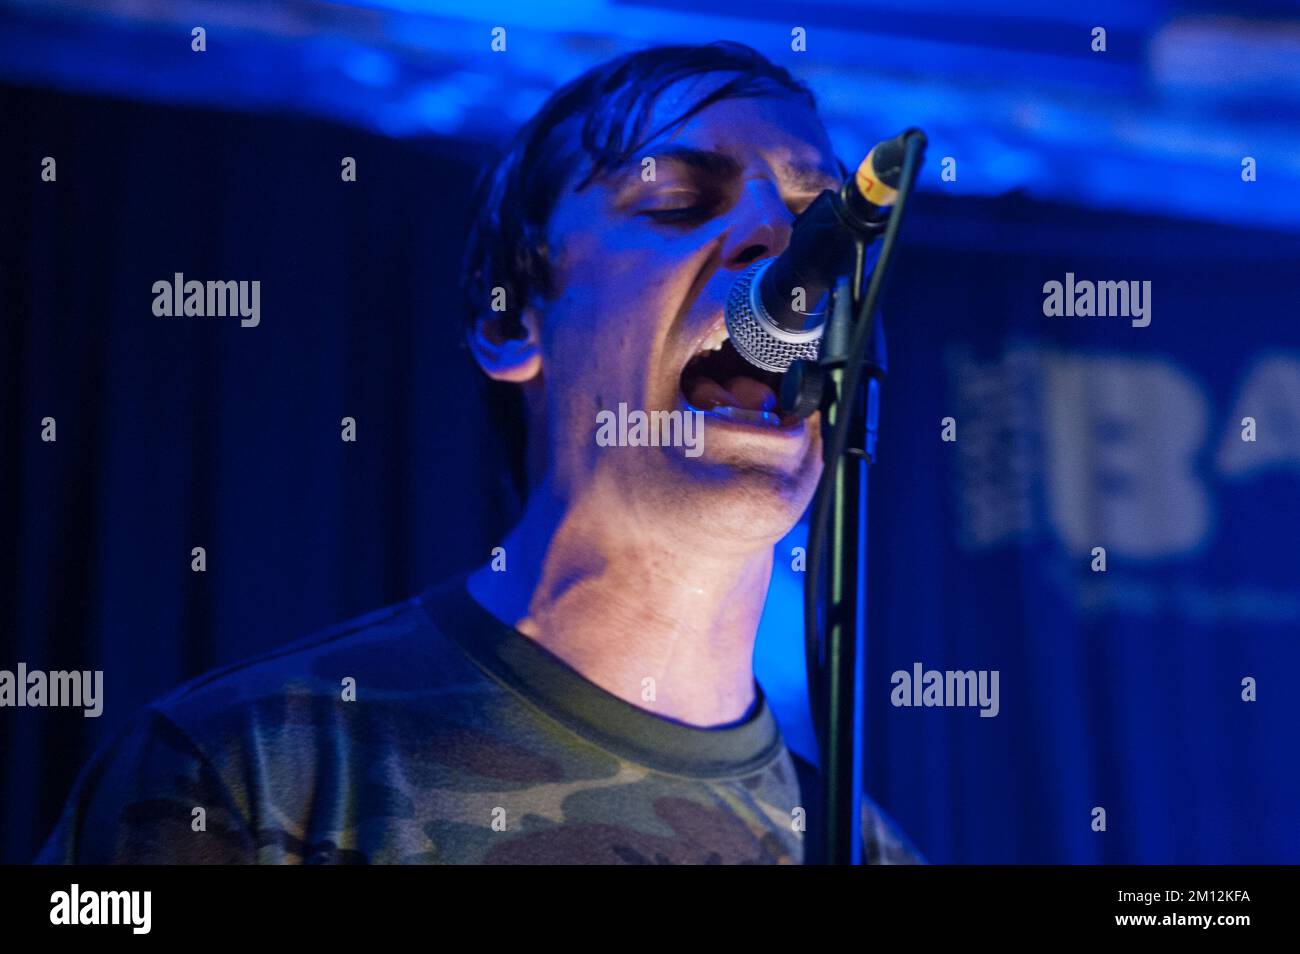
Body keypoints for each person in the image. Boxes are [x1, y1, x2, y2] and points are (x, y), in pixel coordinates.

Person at [37, 40, 921, 865]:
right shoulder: (242, 774)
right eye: (679, 203)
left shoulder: (865, 852)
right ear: (509, 320)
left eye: (821, 225)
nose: (782, 242)